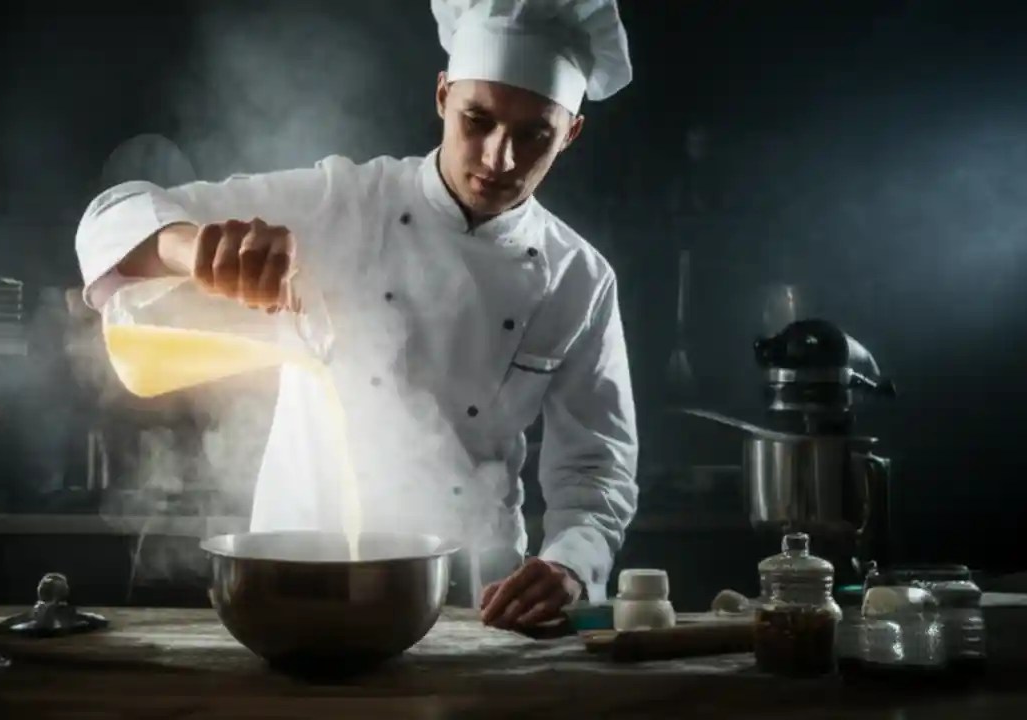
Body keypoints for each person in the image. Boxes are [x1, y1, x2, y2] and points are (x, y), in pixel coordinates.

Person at [75, 0, 638, 630]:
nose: (499, 159)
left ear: (571, 134)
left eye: (534, 134)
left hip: (473, 599)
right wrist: (194, 250)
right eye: (477, 120)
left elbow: (595, 471)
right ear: (442, 96)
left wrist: (568, 565)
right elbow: (113, 214)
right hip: (301, 576)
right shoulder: (341, 202)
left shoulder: (579, 280)